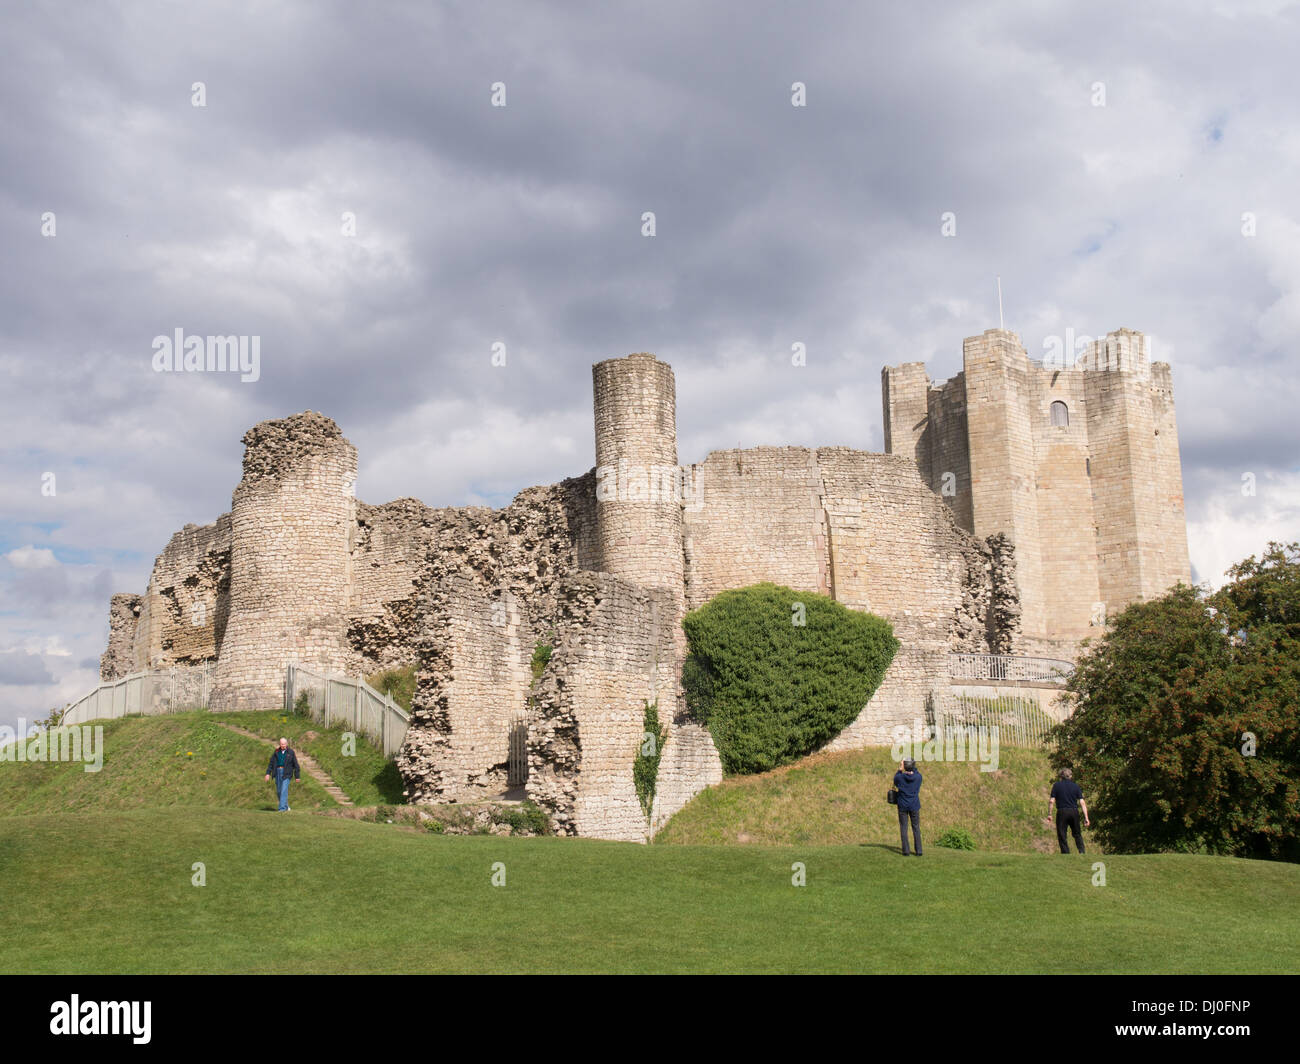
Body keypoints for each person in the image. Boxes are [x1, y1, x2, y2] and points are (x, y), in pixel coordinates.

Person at [1048, 767, 1089, 853]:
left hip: (1062, 811)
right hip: (1074, 811)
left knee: (1062, 834)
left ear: (1061, 776)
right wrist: (1086, 817)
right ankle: (1081, 851)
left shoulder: (1056, 786)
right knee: (1077, 833)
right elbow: (1082, 802)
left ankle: (1066, 853)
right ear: (1070, 776)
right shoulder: (1076, 786)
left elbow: (1051, 801)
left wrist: (1050, 814)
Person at [894, 758, 923, 856]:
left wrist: (900, 768)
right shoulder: (918, 777)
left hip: (902, 805)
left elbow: (896, 778)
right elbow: (916, 772)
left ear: (904, 766)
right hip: (914, 805)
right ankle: (919, 851)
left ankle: (906, 851)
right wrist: (910, 766)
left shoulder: (899, 778)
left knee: (903, 827)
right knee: (916, 827)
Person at [264, 737, 301, 812]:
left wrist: (297, 776)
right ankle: (286, 806)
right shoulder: (276, 752)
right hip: (277, 772)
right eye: (281, 744)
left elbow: (296, 765)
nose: (283, 745)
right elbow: (271, 763)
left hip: (287, 773)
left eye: (284, 744)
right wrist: (268, 773)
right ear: (279, 744)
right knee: (279, 791)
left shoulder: (291, 752)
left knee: (284, 790)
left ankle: (282, 809)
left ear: (286, 744)